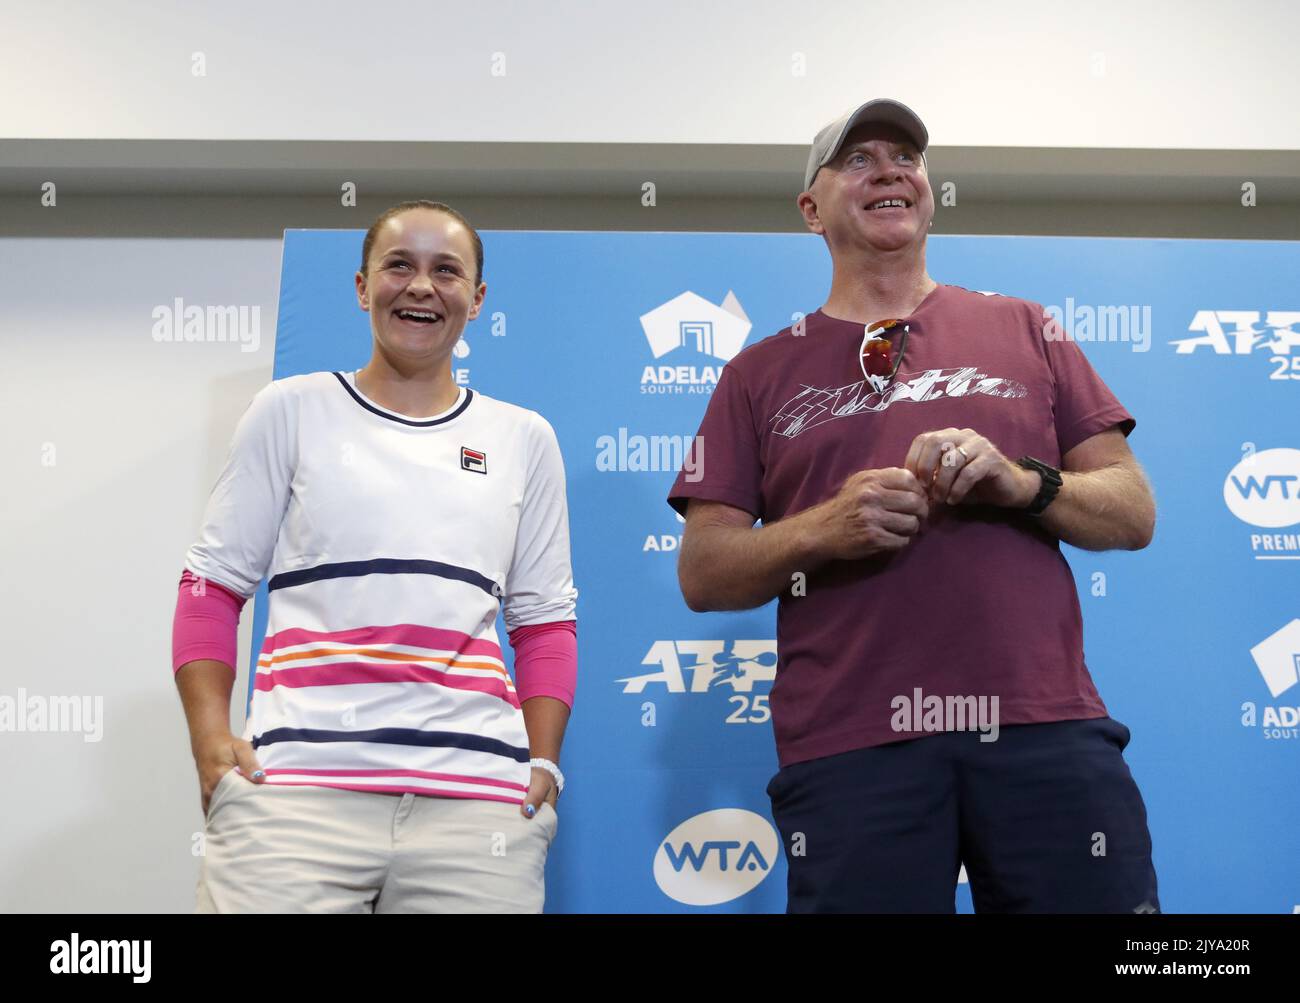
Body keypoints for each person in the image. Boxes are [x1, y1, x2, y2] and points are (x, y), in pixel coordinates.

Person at [667, 99, 1160, 913]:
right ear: (810, 209)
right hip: (853, 747)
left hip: (1042, 727)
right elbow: (704, 570)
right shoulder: (757, 372)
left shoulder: (1029, 327)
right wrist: (826, 527)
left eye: (906, 156)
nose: (890, 170)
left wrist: (1021, 480)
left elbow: (1133, 509)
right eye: (858, 159)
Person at [172, 200, 578, 913]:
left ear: (477, 300)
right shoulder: (290, 409)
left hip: (475, 812)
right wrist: (211, 742)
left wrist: (541, 762)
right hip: (295, 797)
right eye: (400, 265)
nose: (422, 286)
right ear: (363, 287)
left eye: (446, 270)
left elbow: (545, 619)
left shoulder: (524, 437)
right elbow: (211, 584)